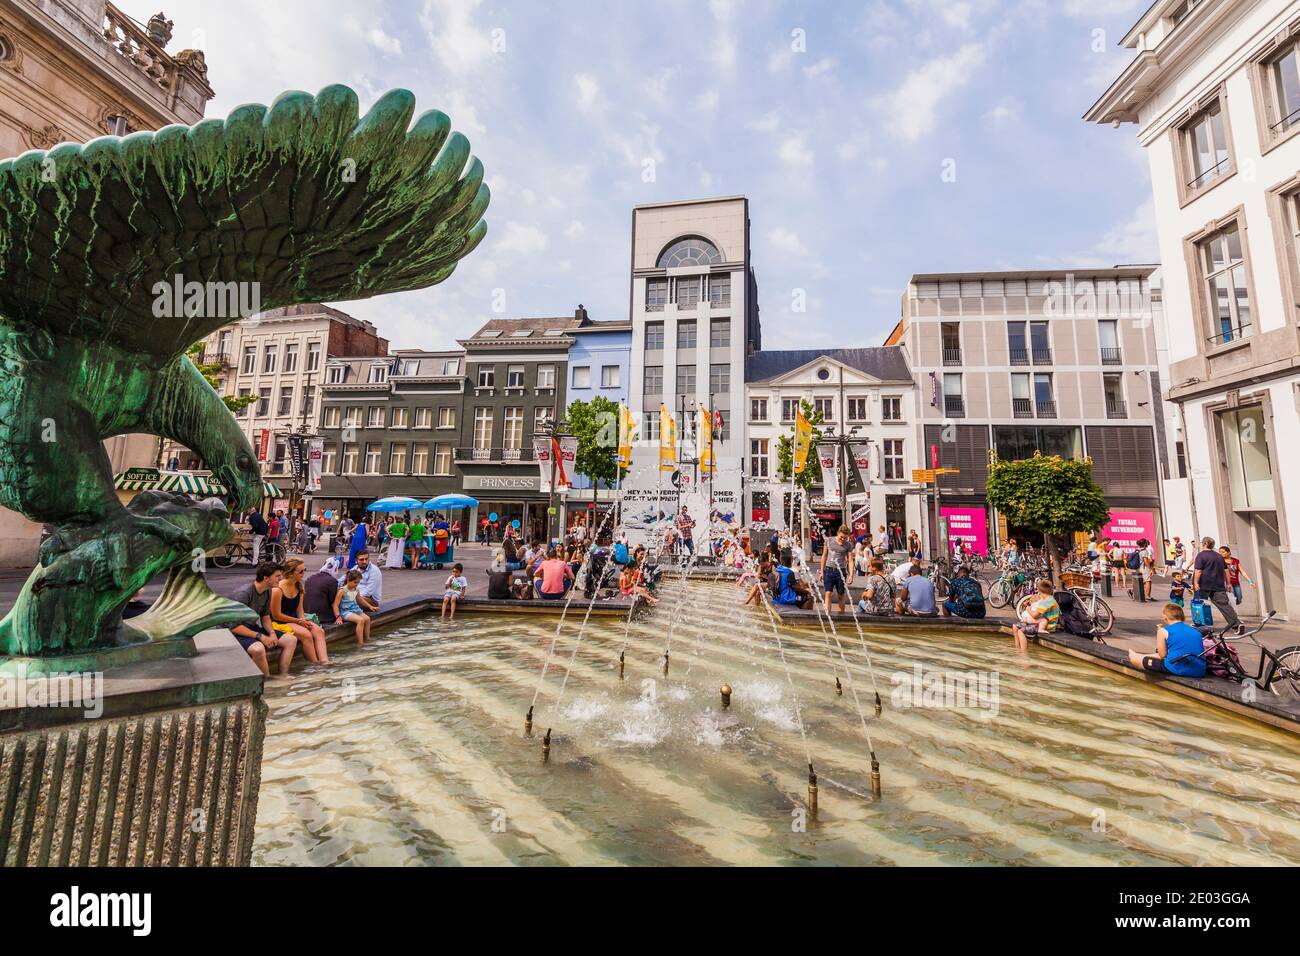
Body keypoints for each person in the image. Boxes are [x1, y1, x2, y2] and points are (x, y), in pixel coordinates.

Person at [230, 562, 297, 679]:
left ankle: (283, 675)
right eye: (277, 576)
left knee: (290, 640)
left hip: (250, 627)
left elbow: (265, 616)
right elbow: (234, 627)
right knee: (258, 649)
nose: (281, 578)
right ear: (266, 578)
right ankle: (267, 680)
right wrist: (260, 636)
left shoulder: (268, 590)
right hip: (233, 632)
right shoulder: (244, 594)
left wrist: (272, 634)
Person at [270, 558, 331, 666]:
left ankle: (325, 662)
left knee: (319, 631)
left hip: (295, 620)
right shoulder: (278, 589)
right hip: (279, 622)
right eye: (301, 571)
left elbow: (300, 609)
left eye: (305, 570)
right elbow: (276, 615)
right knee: (306, 635)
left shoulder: (299, 586)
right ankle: (315, 664)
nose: (303, 573)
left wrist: (302, 619)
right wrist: (299, 621)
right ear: (291, 573)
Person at [1127, 603, 1207, 678]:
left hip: (1178, 668)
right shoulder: (1196, 631)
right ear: (1183, 617)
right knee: (1148, 656)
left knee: (1134, 659)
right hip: (1199, 670)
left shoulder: (1163, 631)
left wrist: (1139, 657)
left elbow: (1162, 655)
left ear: (1165, 618)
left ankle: (1135, 655)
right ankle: (1138, 655)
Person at [1192, 536, 1240, 631]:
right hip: (1218, 585)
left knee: (1200, 604)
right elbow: (1226, 571)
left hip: (1204, 584)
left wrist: (1196, 582)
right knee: (1224, 605)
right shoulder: (1219, 556)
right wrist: (1229, 584)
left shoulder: (1201, 555)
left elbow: (1198, 571)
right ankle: (1236, 623)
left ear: (1205, 544)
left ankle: (1203, 626)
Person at [1012, 579, 1059, 652]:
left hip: (1046, 626)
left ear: (1040, 591)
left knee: (1021, 631)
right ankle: (1017, 649)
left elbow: (1034, 615)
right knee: (1015, 626)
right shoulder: (1047, 599)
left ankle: (1023, 654)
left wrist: (1028, 609)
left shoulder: (1047, 602)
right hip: (1039, 622)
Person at [333, 568, 372, 647]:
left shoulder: (356, 588)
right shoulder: (342, 591)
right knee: (360, 620)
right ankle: (360, 643)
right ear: (348, 580)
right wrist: (338, 617)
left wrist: (370, 606)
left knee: (367, 619)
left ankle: (368, 638)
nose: (357, 584)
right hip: (345, 612)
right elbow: (335, 605)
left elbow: (360, 599)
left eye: (358, 582)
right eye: (355, 582)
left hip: (355, 609)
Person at [820, 525, 853, 614]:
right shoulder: (829, 541)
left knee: (841, 594)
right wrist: (821, 571)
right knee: (828, 593)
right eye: (841, 537)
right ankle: (828, 615)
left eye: (845, 538)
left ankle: (842, 614)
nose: (843, 539)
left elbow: (850, 560)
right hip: (829, 570)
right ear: (838, 533)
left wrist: (851, 575)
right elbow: (824, 556)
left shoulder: (848, 545)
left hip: (841, 572)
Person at [305, 557, 342, 622]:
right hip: (322, 616)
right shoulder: (332, 581)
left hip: (307, 612)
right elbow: (332, 600)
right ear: (335, 569)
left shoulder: (311, 577)